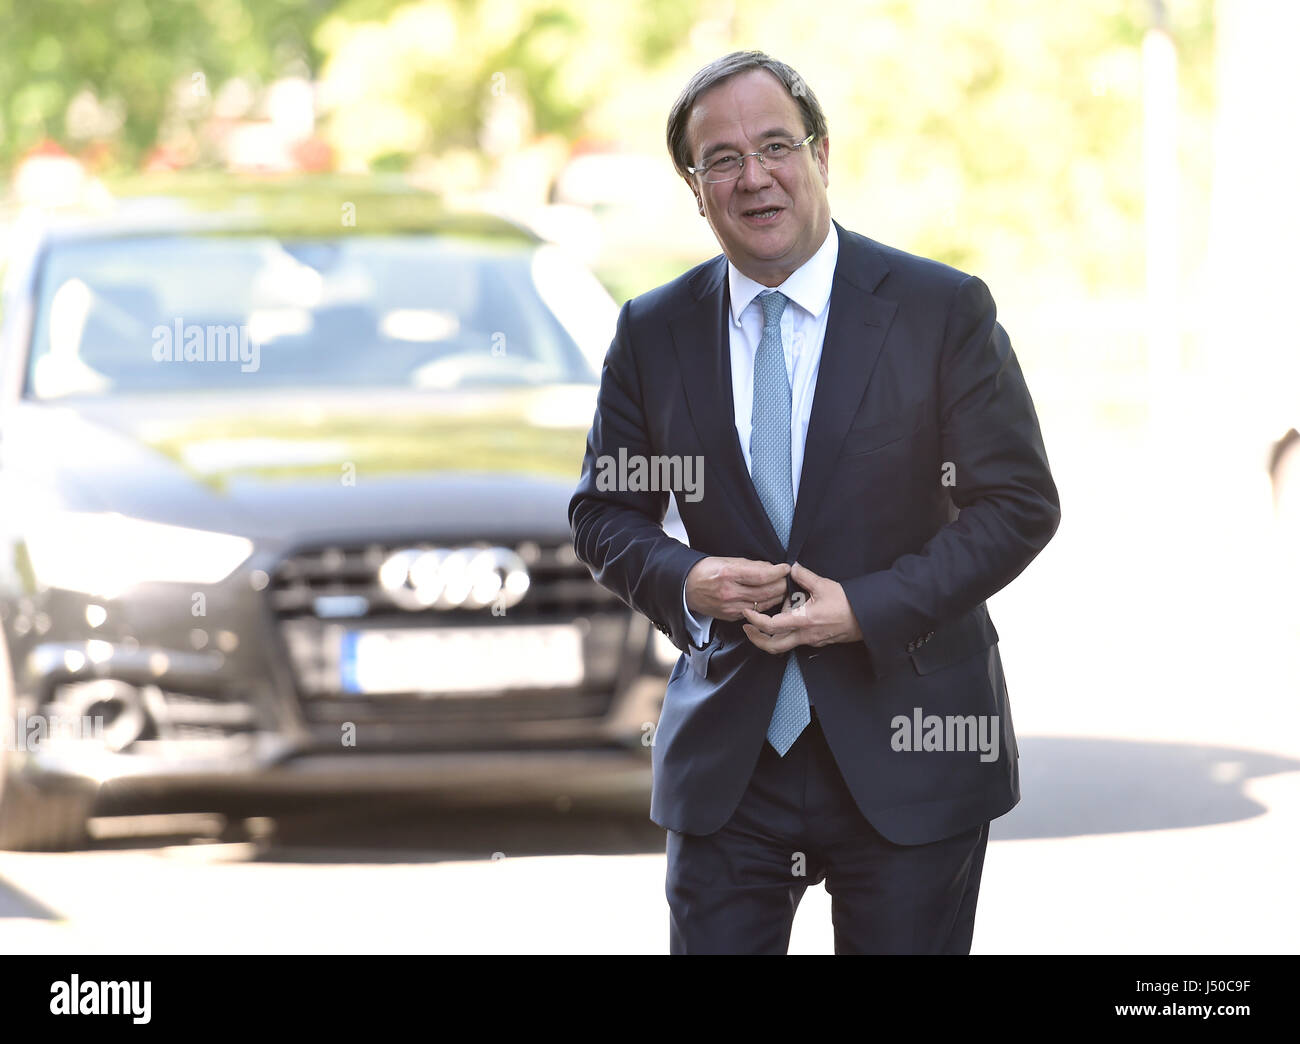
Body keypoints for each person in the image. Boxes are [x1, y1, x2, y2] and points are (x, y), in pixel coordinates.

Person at [568, 50, 1060, 954]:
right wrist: (689, 578)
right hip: (731, 767)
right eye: (721, 158)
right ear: (694, 186)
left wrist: (864, 609)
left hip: (914, 749)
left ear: (821, 154)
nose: (753, 177)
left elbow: (1018, 504)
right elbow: (604, 513)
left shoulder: (939, 310)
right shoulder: (652, 331)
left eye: (775, 146)